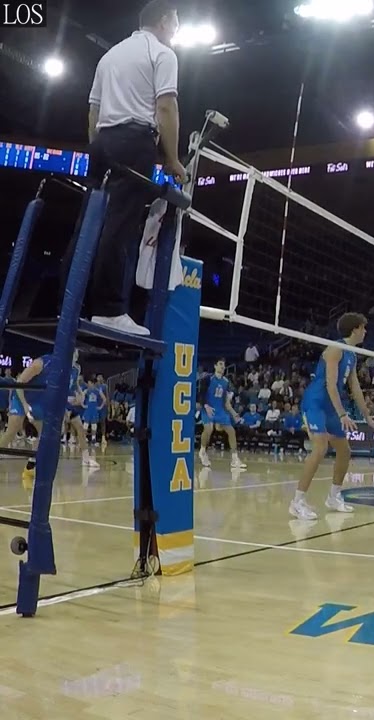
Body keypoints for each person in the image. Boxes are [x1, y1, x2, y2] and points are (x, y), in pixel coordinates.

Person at [84, 0, 186, 336]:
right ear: (163, 19)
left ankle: (71, 301)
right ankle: (109, 310)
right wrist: (171, 159)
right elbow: (166, 107)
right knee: (121, 226)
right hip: (134, 139)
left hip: (102, 142)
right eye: (175, 20)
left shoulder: (110, 55)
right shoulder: (162, 53)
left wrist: (99, 149)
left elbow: (93, 113)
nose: (176, 28)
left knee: (91, 223)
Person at [291, 313, 374, 520]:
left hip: (331, 405)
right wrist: (342, 414)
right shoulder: (335, 349)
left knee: (344, 451)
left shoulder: (352, 354)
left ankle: (333, 496)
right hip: (316, 402)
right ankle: (297, 501)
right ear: (355, 329)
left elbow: (355, 387)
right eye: (363, 328)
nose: (365, 332)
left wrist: (367, 417)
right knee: (321, 447)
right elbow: (331, 385)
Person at [0, 351, 96, 487]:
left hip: (40, 402)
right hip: (22, 398)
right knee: (11, 432)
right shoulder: (42, 363)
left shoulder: (69, 369)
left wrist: (78, 396)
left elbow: (68, 388)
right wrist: (25, 406)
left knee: (44, 434)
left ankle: (30, 466)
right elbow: (19, 383)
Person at [198, 359, 246, 470]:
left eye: (224, 365)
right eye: (220, 364)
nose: (223, 367)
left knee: (231, 431)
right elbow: (201, 394)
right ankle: (202, 451)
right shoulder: (208, 378)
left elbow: (226, 402)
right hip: (208, 408)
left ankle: (235, 459)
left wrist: (234, 414)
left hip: (220, 410)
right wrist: (205, 405)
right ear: (215, 366)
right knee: (209, 429)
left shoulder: (226, 382)